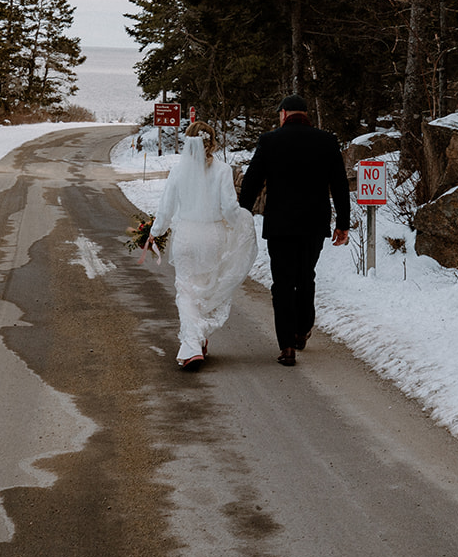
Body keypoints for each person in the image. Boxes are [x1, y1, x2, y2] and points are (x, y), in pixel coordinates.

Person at [237, 94, 350, 366]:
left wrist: (241, 214)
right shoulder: (326, 141)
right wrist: (342, 224)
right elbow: (340, 184)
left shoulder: (270, 141)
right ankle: (302, 330)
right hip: (313, 224)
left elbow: (251, 182)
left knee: (283, 283)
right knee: (306, 276)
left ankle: (286, 346)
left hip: (280, 225)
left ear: (284, 114)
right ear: (306, 114)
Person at [144, 121, 259, 370]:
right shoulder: (222, 170)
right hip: (212, 237)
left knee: (186, 290)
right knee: (207, 288)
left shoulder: (178, 172)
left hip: (185, 237)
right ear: (212, 142)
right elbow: (229, 209)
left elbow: (166, 209)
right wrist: (236, 223)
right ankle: (195, 342)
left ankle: (194, 343)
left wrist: (155, 232)